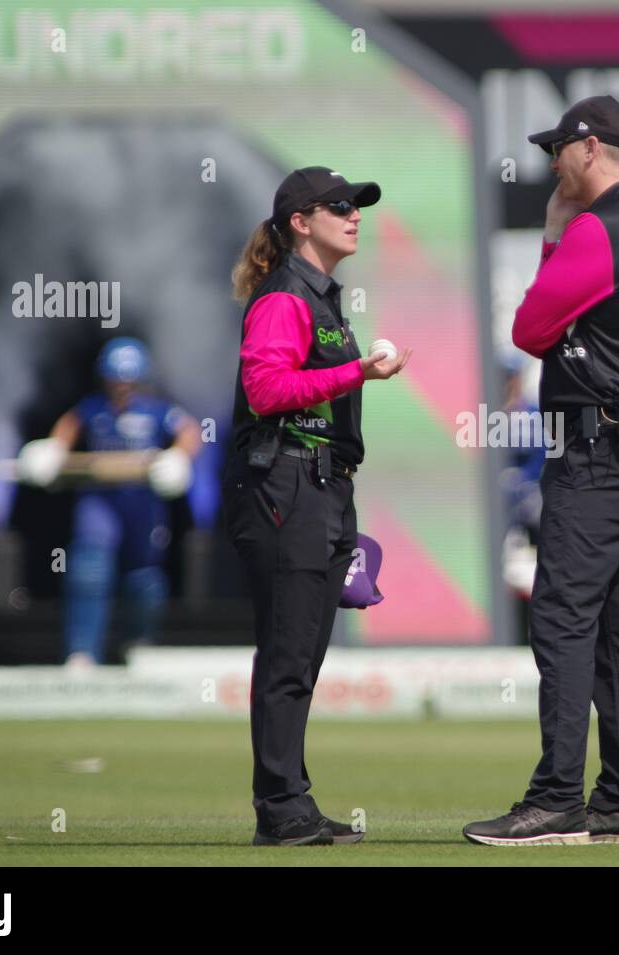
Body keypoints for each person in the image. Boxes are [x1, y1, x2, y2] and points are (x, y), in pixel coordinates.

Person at [464, 95, 619, 847]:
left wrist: (553, 238)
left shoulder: (600, 228)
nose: (553, 162)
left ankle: (556, 801)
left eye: (559, 148)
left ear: (590, 149)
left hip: (598, 449)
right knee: (618, 629)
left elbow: (528, 329)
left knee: (560, 616)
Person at [222, 167, 411, 848]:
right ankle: (280, 808)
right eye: (340, 206)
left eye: (357, 205)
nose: (354, 215)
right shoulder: (284, 297)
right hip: (286, 487)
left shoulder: (323, 297)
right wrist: (360, 372)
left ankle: (290, 799)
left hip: (322, 486)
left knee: (299, 657)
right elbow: (268, 389)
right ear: (301, 221)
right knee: (286, 657)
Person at [17, 337, 201, 666]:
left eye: (129, 380)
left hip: (143, 503)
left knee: (144, 579)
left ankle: (140, 646)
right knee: (89, 570)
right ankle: (83, 651)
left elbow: (189, 431)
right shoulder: (94, 408)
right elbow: (69, 425)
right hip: (100, 500)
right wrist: (54, 450)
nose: (122, 387)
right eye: (116, 380)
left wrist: (178, 456)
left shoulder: (158, 410)